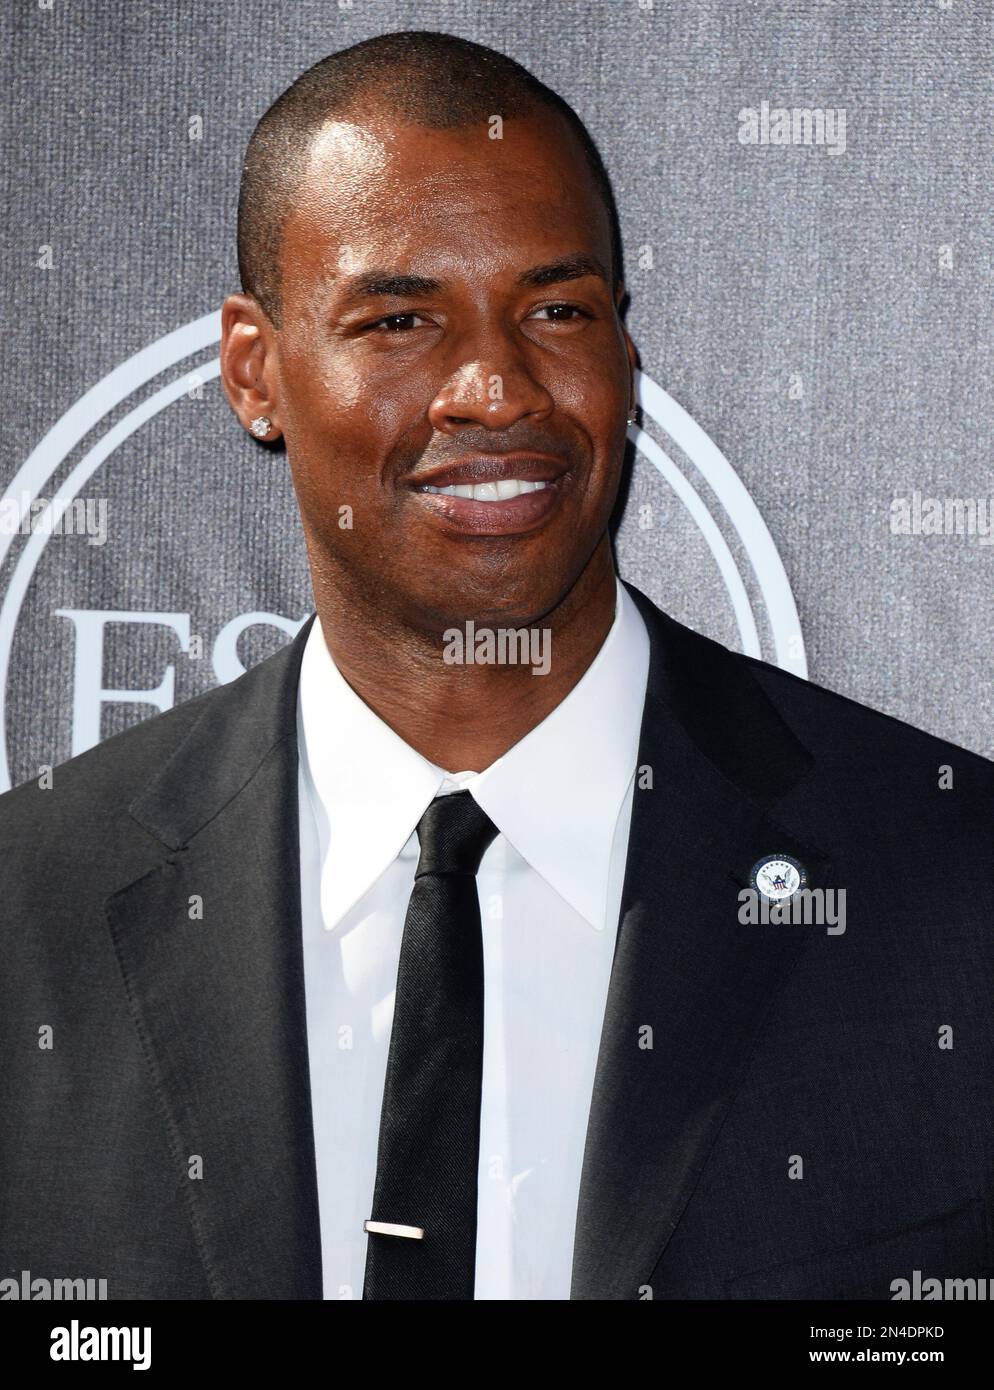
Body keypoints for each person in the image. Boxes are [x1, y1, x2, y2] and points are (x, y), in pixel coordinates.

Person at [1, 30, 991, 1302]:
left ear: (624, 358)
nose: (494, 388)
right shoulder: (33, 912)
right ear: (257, 371)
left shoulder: (948, 886)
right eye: (401, 317)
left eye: (555, 312)